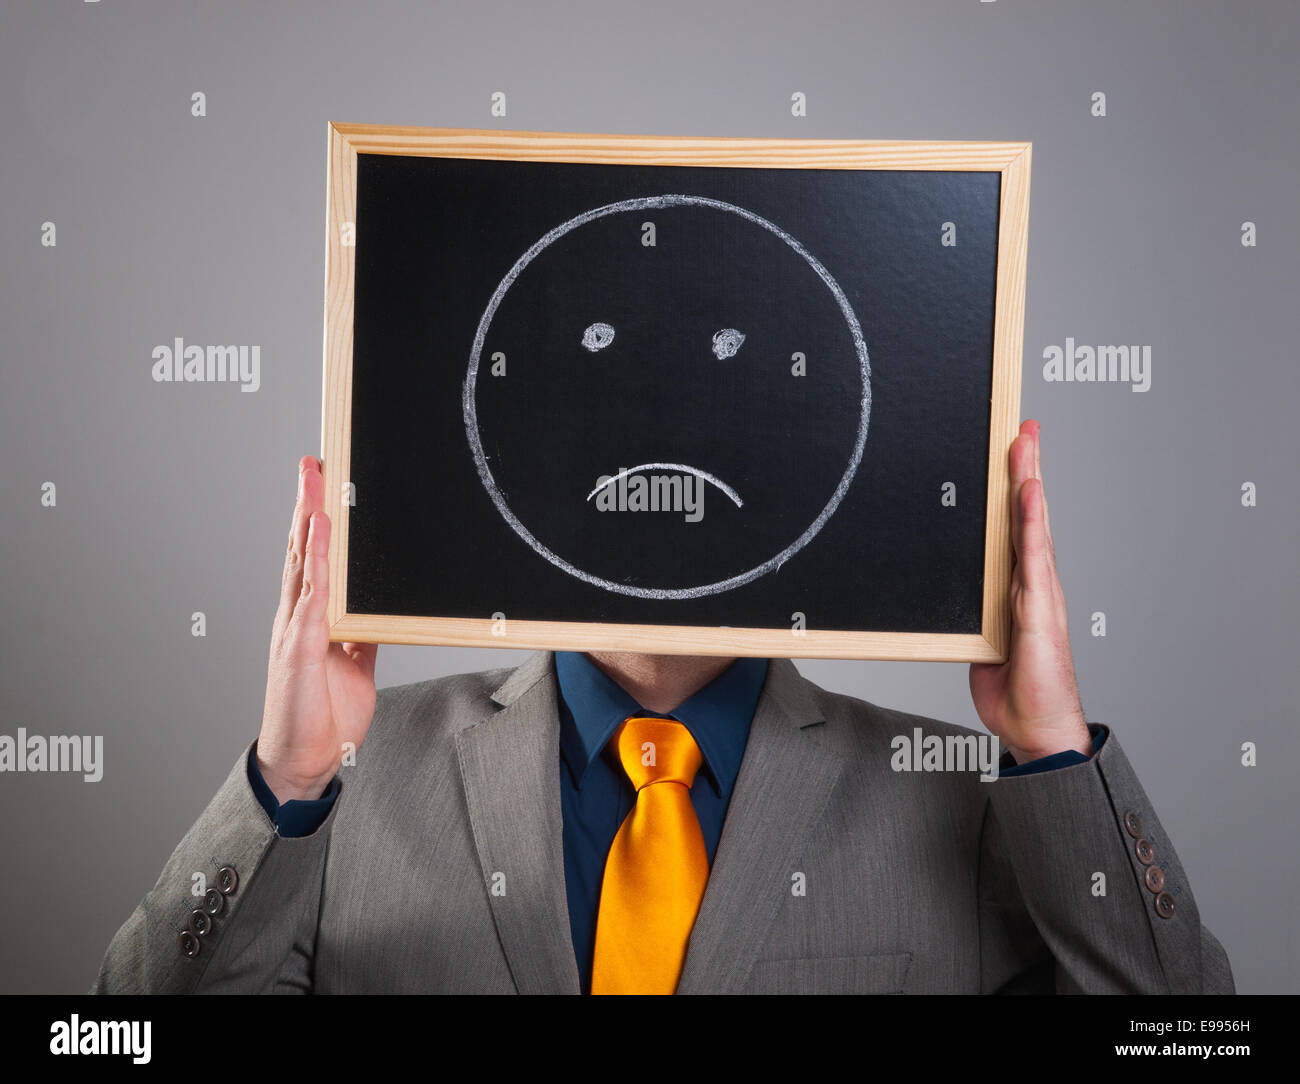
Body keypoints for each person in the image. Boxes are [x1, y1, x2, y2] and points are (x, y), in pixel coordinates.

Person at [92, 420, 1234, 994]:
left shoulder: (970, 806)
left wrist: (1050, 752)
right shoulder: (344, 782)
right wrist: (285, 783)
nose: (660, 478)